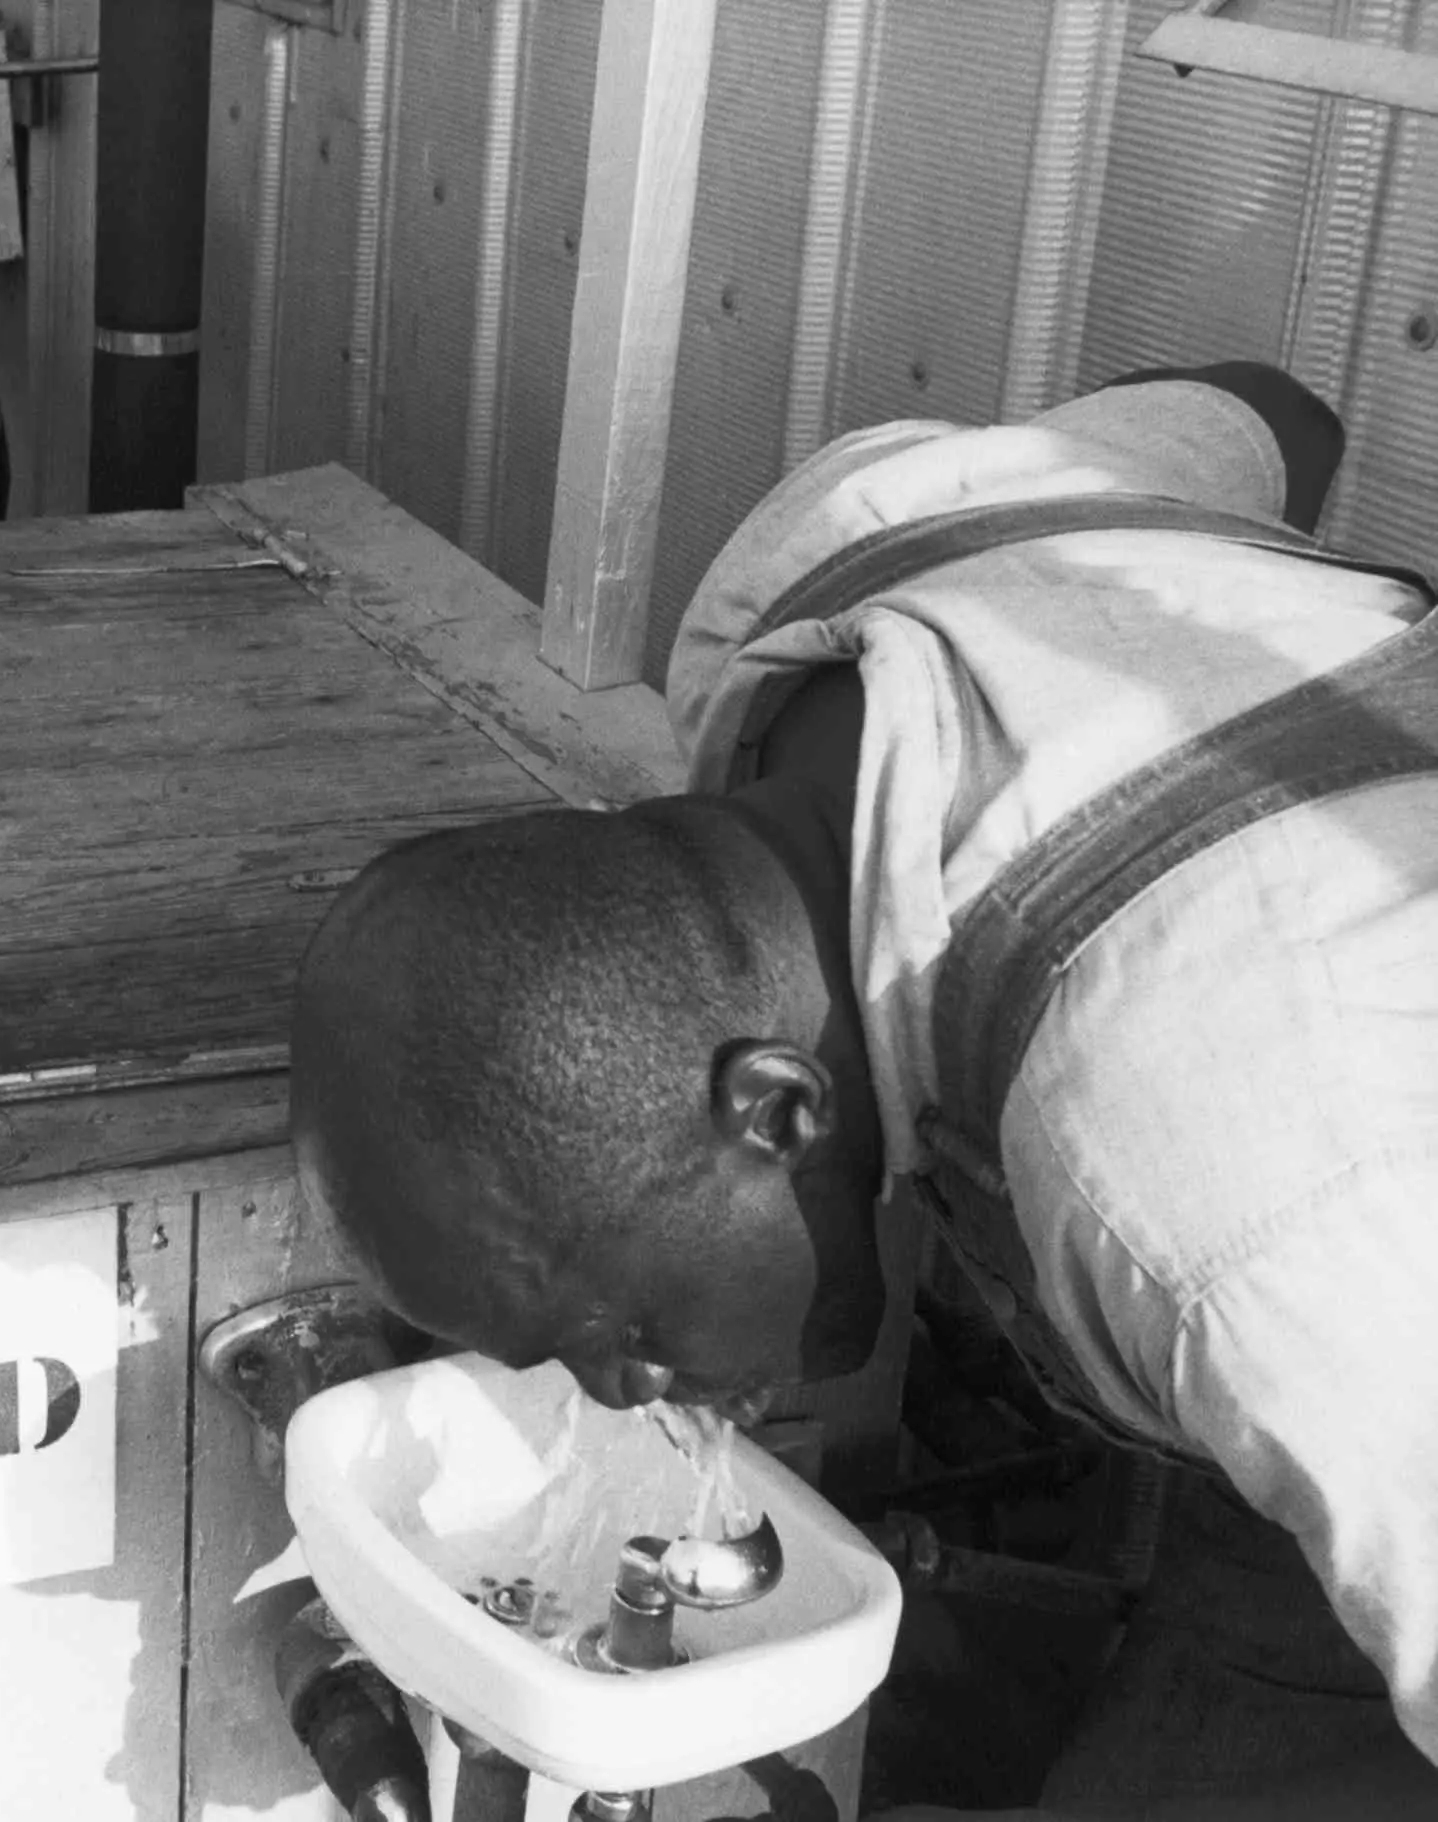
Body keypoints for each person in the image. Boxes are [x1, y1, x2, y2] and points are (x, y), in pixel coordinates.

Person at [288, 363, 1438, 1819]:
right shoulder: (817, 564)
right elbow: (1270, 414)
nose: (619, 1393)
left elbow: (1296, 1275)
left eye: (608, 1334)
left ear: (774, 1108)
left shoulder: (1232, 1211)